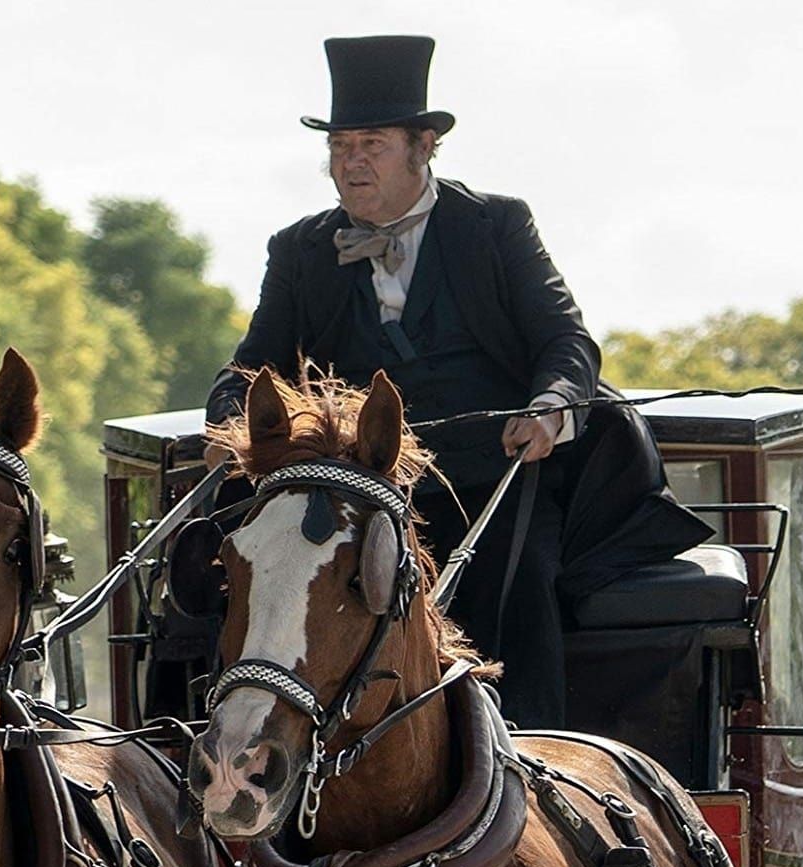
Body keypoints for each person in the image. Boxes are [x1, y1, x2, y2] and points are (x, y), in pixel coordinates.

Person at [208, 34, 708, 727]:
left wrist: (549, 409)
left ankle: (531, 755)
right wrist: (229, 426)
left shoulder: (495, 225)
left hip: (493, 480)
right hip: (361, 491)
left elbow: (565, 340)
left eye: (371, 145)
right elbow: (249, 366)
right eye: (339, 147)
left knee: (524, 583)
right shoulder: (299, 249)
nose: (351, 162)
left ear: (424, 148)